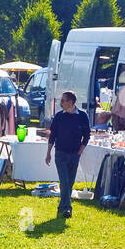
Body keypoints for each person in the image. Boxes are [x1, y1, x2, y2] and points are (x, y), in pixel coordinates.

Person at [46, 90, 90, 218]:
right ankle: (67, 208)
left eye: (63, 101)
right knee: (64, 181)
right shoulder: (59, 116)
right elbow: (52, 135)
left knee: (69, 183)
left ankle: (61, 206)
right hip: (60, 153)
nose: (60, 103)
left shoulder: (82, 116)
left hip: (74, 154)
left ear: (70, 102)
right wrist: (48, 153)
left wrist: (80, 151)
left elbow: (87, 135)